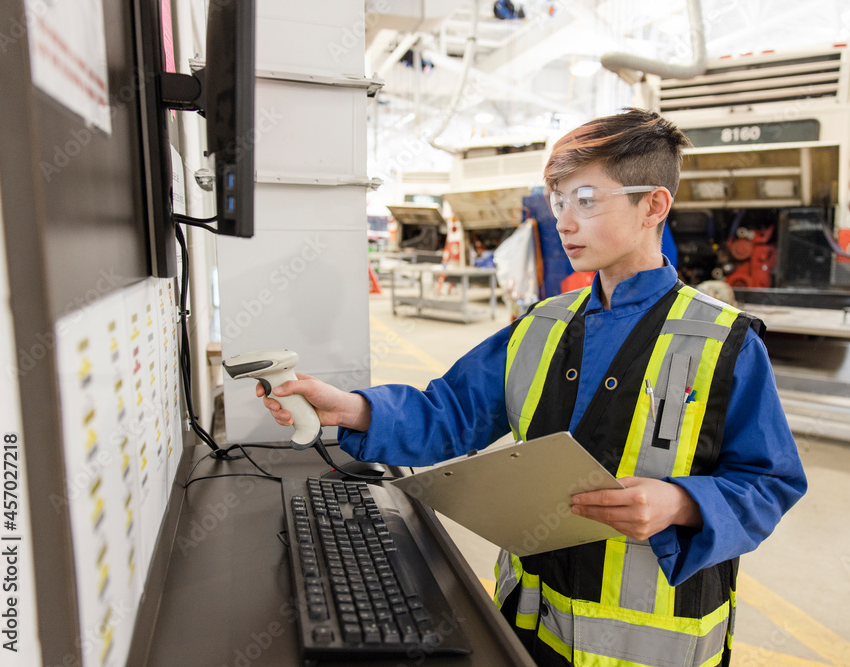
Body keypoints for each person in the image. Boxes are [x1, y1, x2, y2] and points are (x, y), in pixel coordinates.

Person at [256, 108, 807, 667]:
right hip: (527, 628)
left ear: (653, 206)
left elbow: (771, 481)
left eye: (586, 200)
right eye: (558, 200)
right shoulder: (542, 325)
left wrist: (684, 503)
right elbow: (452, 412)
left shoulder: (725, 342)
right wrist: (349, 409)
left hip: (646, 652)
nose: (563, 222)